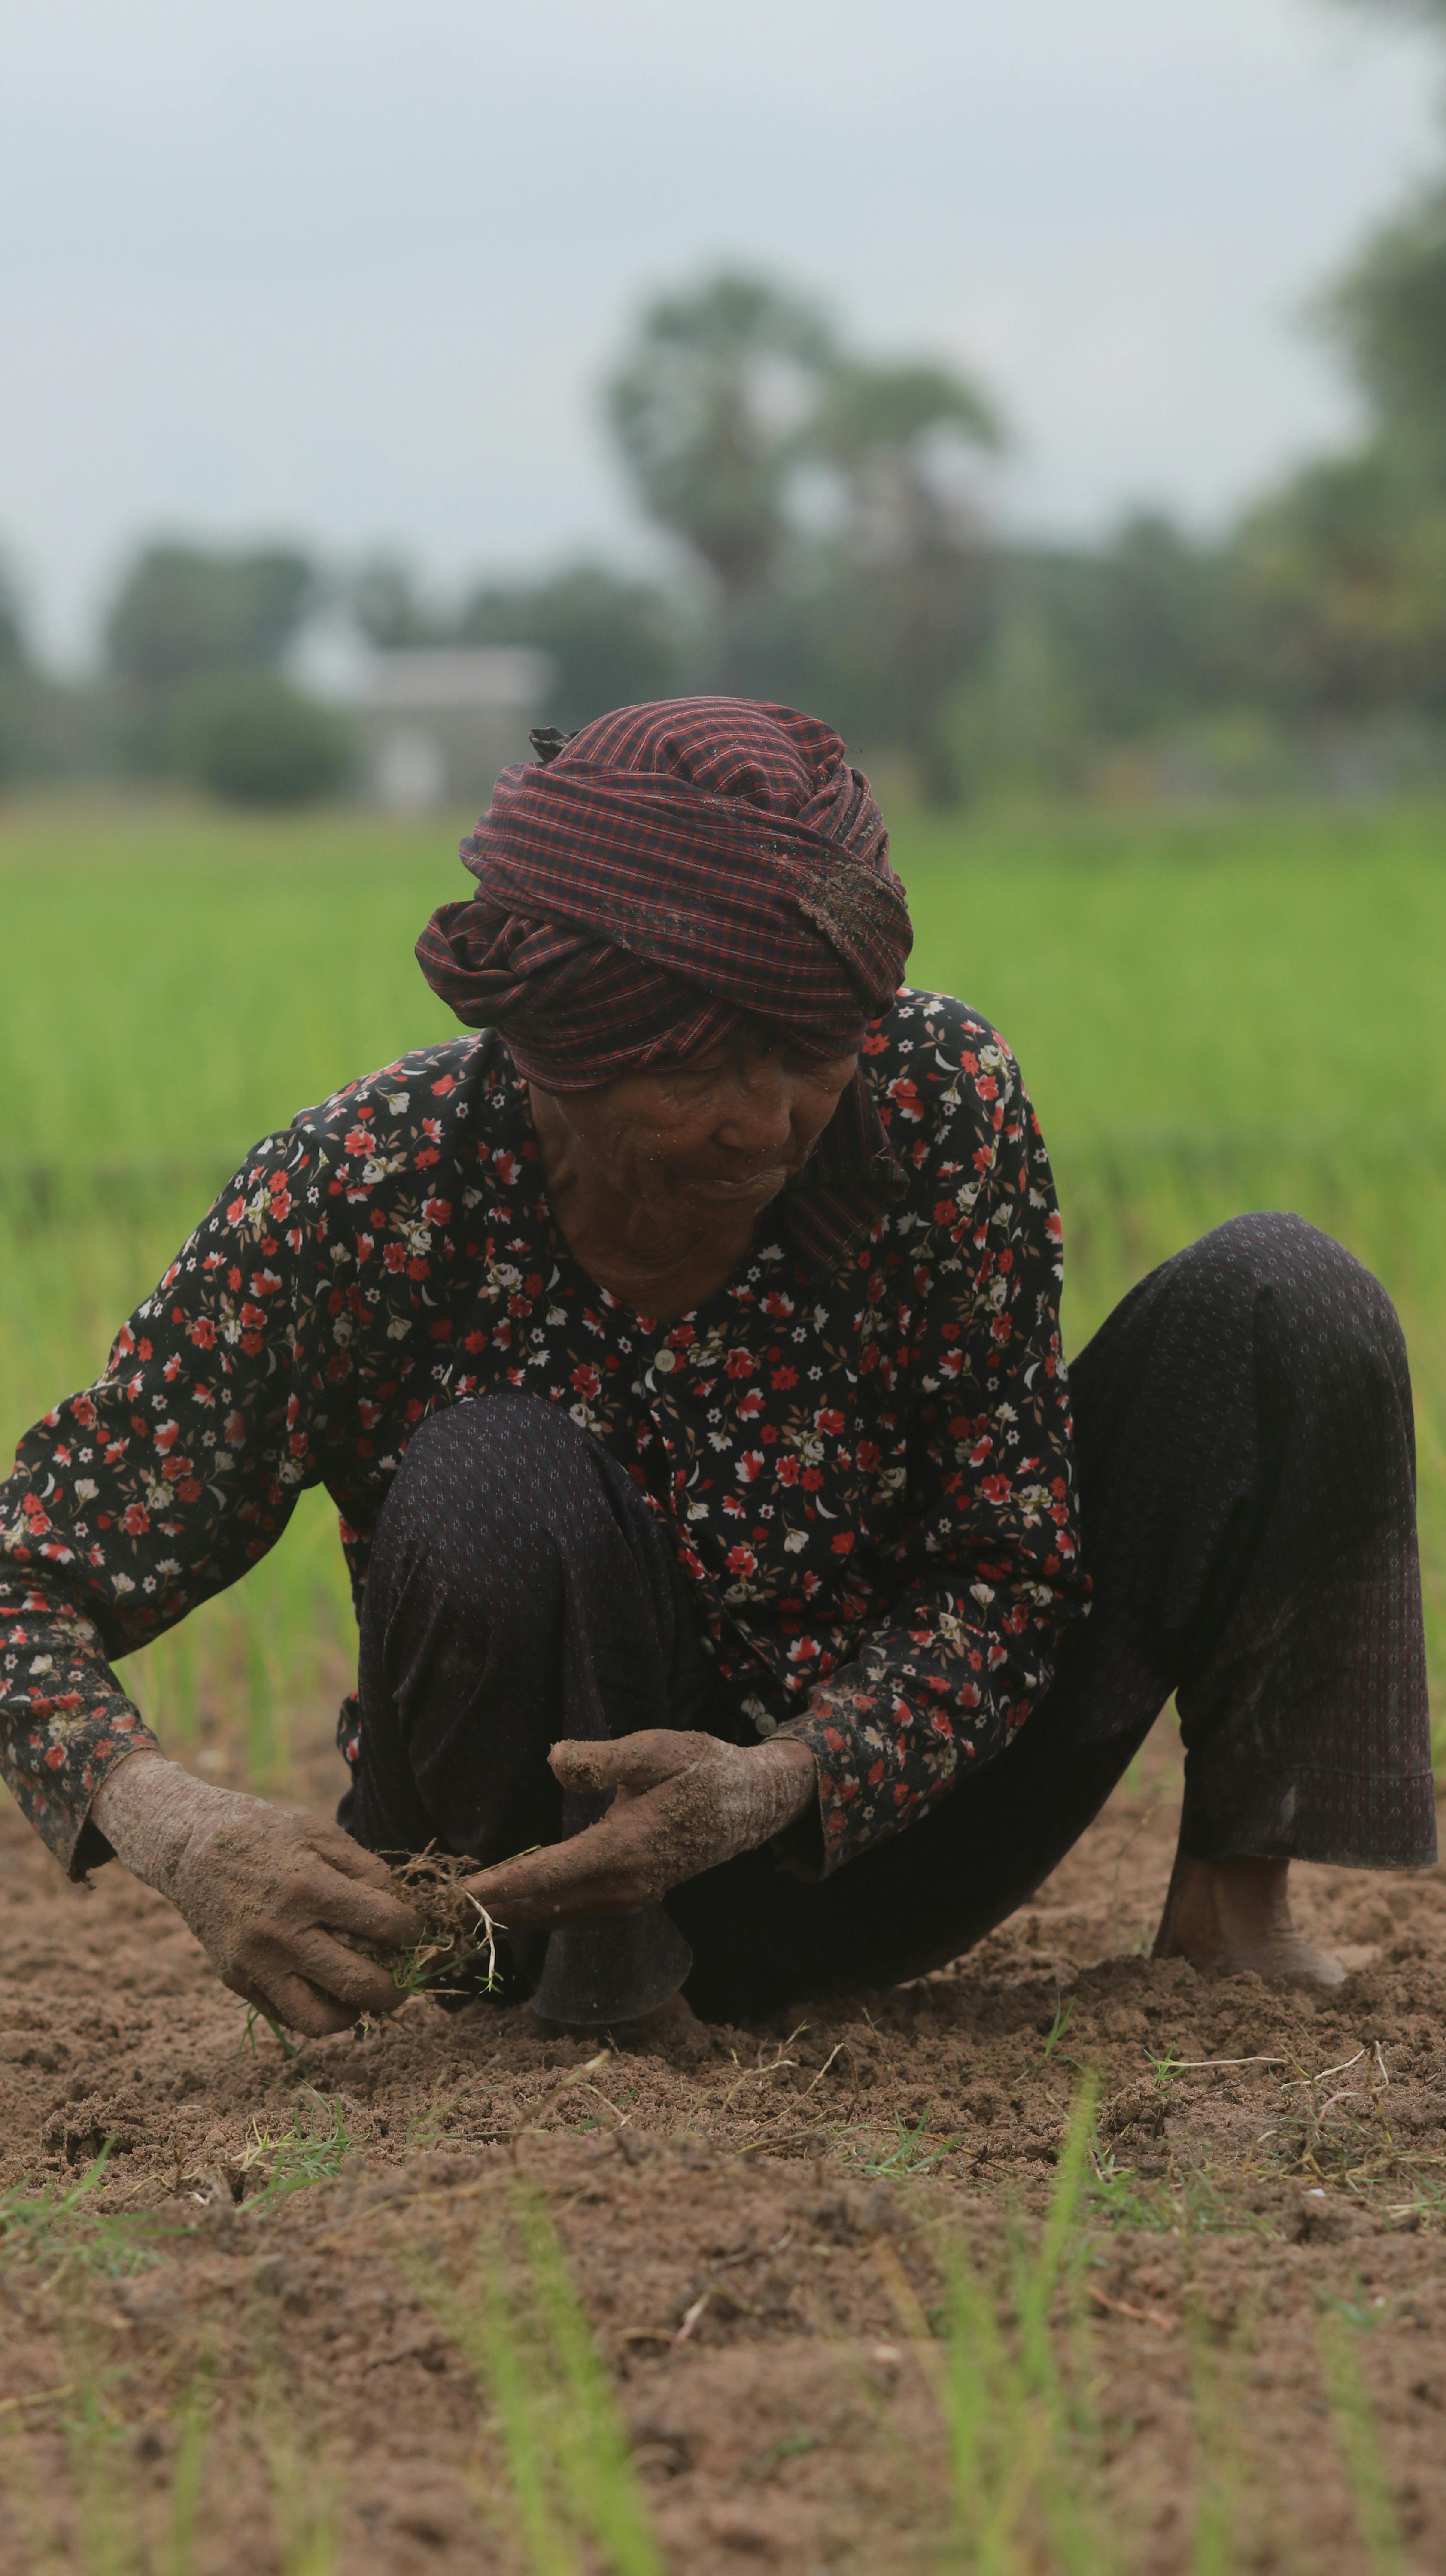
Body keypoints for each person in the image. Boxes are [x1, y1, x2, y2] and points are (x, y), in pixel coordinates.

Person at [0, 699, 1432, 2037]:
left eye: (810, 1052)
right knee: (494, 1466)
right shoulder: (365, 1195)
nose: (766, 1124)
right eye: (691, 1073)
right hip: (519, 1897)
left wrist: (781, 1779)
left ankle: (1234, 1918)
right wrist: (184, 1833)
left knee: (1282, 1296)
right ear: (554, 1045)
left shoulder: (931, 1105)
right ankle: (605, 2014)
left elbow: (1011, 1566)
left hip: (880, 1823)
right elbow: (25, 1578)